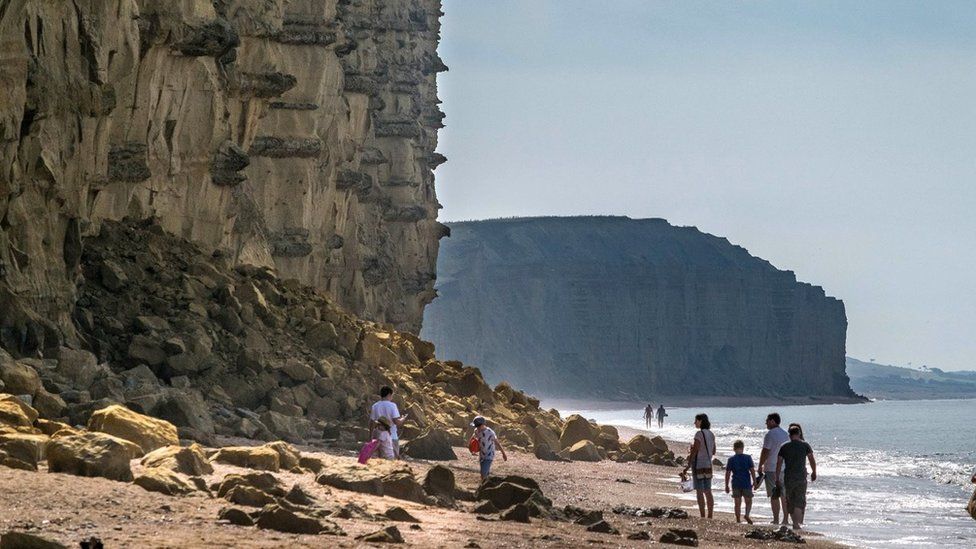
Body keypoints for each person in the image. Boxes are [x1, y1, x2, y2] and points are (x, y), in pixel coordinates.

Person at [776, 425, 817, 530]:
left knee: (790, 500)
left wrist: (776, 477)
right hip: (801, 477)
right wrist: (814, 472)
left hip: (788, 477)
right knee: (799, 499)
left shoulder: (784, 446)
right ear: (799, 433)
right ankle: (796, 523)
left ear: (789, 434)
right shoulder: (805, 445)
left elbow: (779, 463)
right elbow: (811, 459)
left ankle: (795, 522)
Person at [681, 413, 716, 518]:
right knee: (708, 491)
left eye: (696, 421)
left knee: (699, 491)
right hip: (708, 464)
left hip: (699, 464)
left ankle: (702, 515)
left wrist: (688, 464)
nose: (694, 423)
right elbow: (713, 451)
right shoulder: (711, 434)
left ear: (700, 421)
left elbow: (695, 450)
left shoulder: (699, 434)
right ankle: (710, 515)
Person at [758, 412, 790, 525]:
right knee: (784, 494)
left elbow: (765, 451)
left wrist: (760, 465)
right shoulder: (785, 434)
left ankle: (776, 519)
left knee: (774, 495)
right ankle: (785, 519)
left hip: (771, 467)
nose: (766, 423)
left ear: (772, 421)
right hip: (784, 467)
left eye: (767, 420)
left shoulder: (770, 434)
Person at [369, 386, 407, 459]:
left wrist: (370, 438)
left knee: (379, 461)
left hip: (377, 436)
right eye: (392, 395)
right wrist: (403, 418)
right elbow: (397, 422)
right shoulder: (392, 405)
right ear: (389, 395)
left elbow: (371, 423)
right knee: (393, 459)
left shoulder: (375, 406)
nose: (392, 398)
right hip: (392, 436)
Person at [725, 439, 757, 524]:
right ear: (742, 448)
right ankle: (746, 514)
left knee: (737, 503)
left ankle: (738, 520)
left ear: (734, 449)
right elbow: (752, 470)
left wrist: (726, 485)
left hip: (735, 482)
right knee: (748, 501)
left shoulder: (731, 459)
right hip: (746, 482)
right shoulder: (747, 458)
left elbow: (727, 473)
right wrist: (755, 481)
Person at [471, 415, 506, 481]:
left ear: (482, 425)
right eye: (476, 426)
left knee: (483, 473)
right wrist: (472, 449)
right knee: (484, 472)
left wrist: (503, 454)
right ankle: (488, 484)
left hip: (489, 454)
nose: (476, 427)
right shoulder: (476, 430)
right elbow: (473, 439)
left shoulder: (490, 432)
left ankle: (482, 487)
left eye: (478, 426)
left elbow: (497, 443)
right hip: (482, 454)